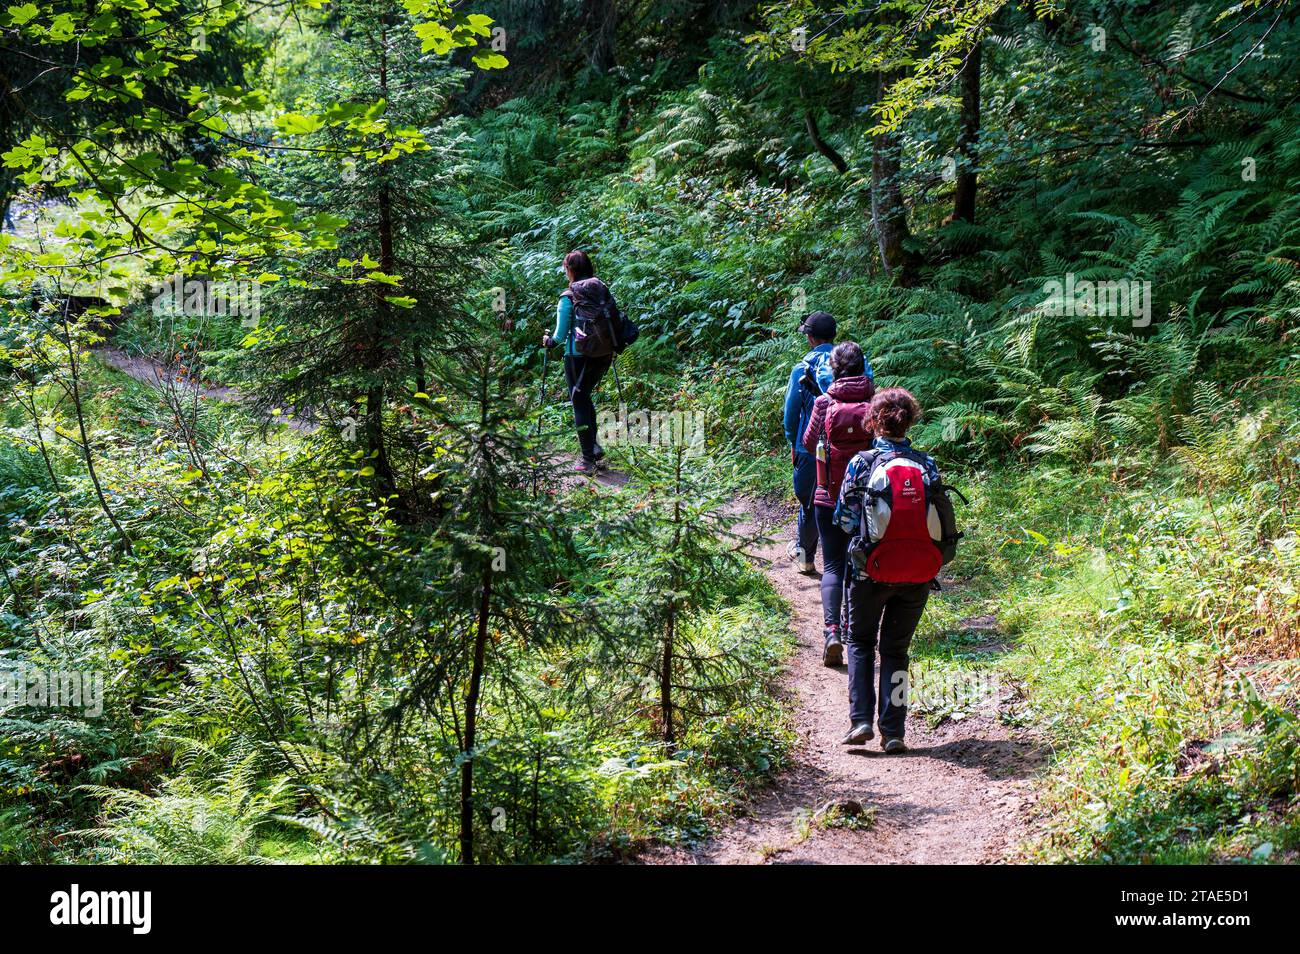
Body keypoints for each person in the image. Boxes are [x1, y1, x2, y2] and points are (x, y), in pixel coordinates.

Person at [833, 388, 940, 753]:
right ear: (909, 420)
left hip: (869, 572)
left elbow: (844, 520)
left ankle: (860, 720)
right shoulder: (927, 464)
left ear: (873, 421)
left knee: (860, 642)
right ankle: (893, 731)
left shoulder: (862, 463)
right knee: (896, 650)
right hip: (918, 573)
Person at [800, 341, 875, 666]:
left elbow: (807, 441)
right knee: (859, 567)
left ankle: (832, 632)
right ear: (862, 367)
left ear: (834, 369)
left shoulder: (823, 402)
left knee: (831, 564)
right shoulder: (875, 402)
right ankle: (853, 627)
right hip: (868, 500)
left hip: (827, 495)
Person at [543, 249, 612, 474]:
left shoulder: (568, 297)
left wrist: (549, 341)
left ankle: (587, 460)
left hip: (577, 356)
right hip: (603, 353)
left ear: (570, 270)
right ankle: (593, 446)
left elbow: (560, 335)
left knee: (578, 399)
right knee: (584, 397)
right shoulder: (600, 290)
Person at [782, 311, 837, 575]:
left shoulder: (802, 369)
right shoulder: (853, 362)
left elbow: (791, 413)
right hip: (851, 445)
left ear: (810, 338)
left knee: (810, 501)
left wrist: (794, 442)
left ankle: (806, 558)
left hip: (810, 445)